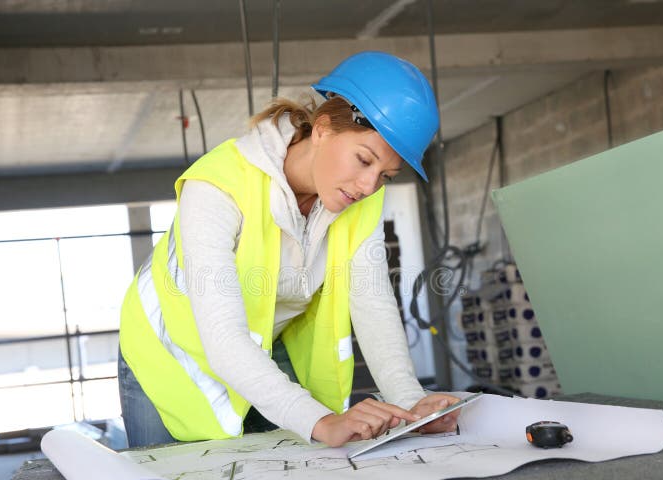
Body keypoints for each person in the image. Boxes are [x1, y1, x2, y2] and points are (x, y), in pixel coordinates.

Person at [118, 50, 461, 448]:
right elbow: (223, 338)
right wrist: (320, 421)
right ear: (323, 129)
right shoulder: (216, 187)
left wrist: (410, 402)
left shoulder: (359, 200)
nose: (368, 186)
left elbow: (372, 304)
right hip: (167, 353)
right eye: (363, 160)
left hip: (261, 344)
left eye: (385, 175)